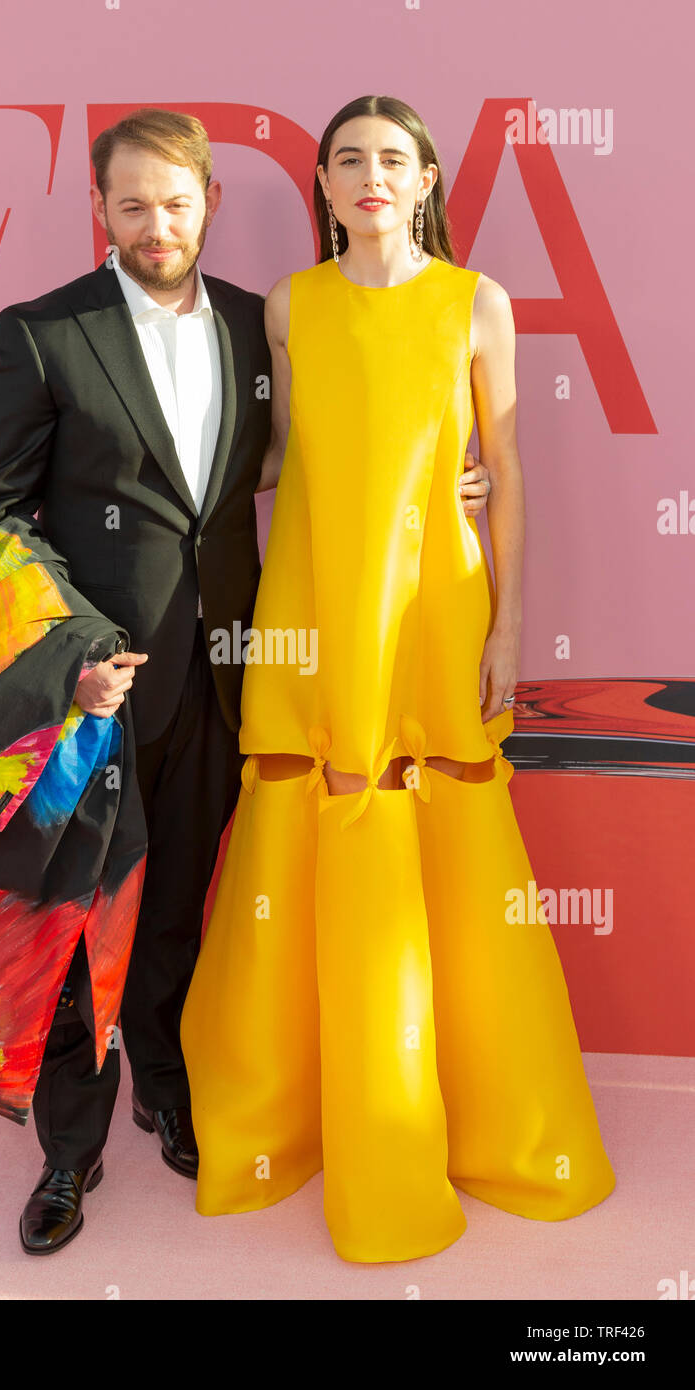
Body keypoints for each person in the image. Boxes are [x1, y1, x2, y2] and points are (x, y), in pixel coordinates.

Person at [0, 107, 491, 1253]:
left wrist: (450, 484)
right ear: (99, 209)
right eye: (133, 202)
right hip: (96, 686)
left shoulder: (265, 322)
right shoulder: (45, 333)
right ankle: (69, 1150)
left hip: (235, 668)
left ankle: (168, 1088)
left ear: (207, 201)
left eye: (177, 200)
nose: (158, 223)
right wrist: (74, 656)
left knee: (184, 903)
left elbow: (324, 456)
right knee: (80, 921)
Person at [180, 94, 616, 1264]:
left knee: (444, 834)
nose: (370, 177)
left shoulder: (475, 301)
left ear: (424, 180)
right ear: (320, 185)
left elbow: (505, 461)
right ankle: (298, 1117)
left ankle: (471, 1123)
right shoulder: (287, 306)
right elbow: (278, 456)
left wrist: (508, 633)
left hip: (436, 603)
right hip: (315, 608)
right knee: (314, 817)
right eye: (347, 162)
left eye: (392, 160)